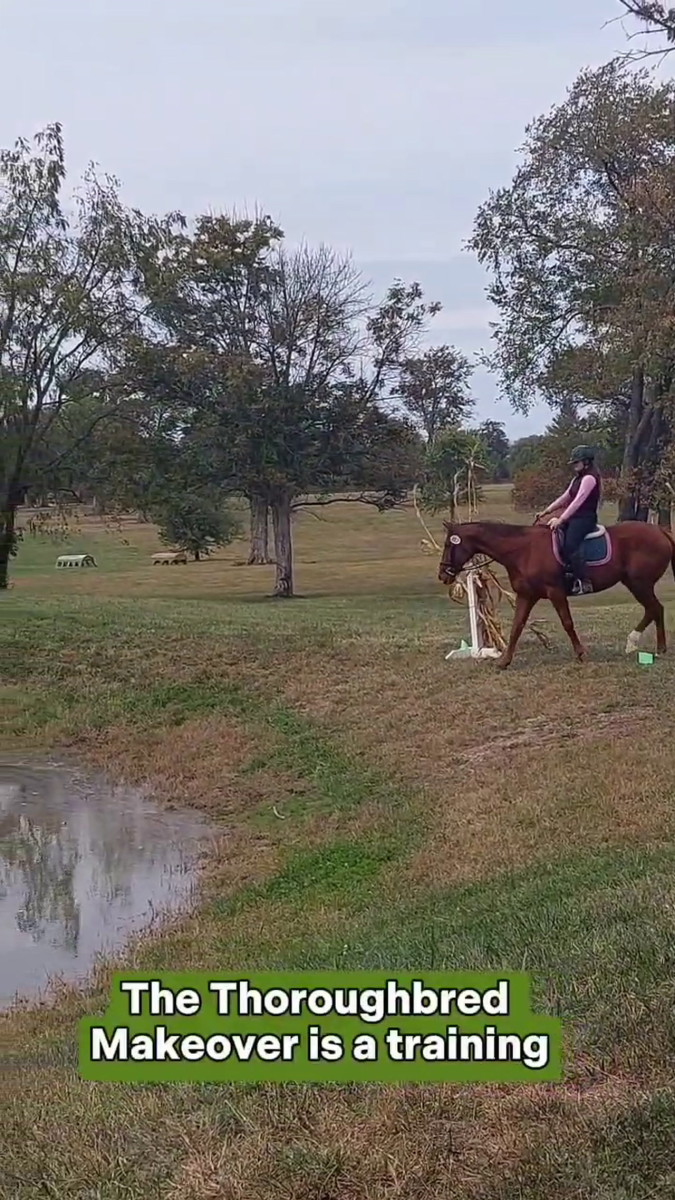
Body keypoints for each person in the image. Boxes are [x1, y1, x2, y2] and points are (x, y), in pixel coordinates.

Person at [536, 445, 602, 595]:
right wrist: (547, 511)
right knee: (555, 538)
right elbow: (565, 497)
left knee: (570, 545)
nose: (574, 466)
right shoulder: (576, 479)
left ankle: (585, 581)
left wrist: (561, 519)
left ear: (586, 462)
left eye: (577, 462)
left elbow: (577, 502)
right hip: (574, 517)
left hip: (585, 518)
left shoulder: (589, 478)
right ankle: (567, 574)